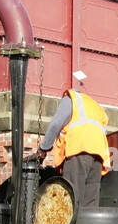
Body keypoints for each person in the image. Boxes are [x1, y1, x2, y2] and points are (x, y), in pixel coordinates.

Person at [39, 73, 110, 210]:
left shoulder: (70, 99)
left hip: (79, 149)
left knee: (71, 196)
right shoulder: (95, 105)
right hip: (99, 155)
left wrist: (43, 149)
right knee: (90, 202)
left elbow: (55, 124)